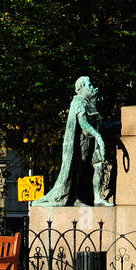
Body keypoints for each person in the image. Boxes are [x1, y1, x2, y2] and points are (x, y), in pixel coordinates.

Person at [33, 75, 112, 207]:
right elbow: (84, 124)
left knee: (97, 166)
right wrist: (97, 135)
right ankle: (74, 197)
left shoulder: (90, 103)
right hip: (81, 144)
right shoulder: (78, 102)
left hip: (92, 143)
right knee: (77, 170)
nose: (92, 87)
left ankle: (97, 198)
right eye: (89, 85)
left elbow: (100, 125)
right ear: (80, 89)